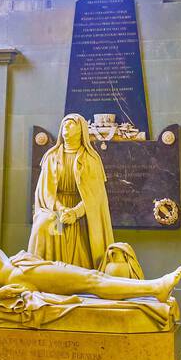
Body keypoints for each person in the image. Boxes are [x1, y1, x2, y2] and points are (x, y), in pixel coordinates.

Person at [0, 211, 181, 305]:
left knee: (93, 278)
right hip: (21, 275)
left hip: (25, 265)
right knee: (91, 281)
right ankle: (156, 287)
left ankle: (154, 288)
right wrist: (0, 294)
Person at [28, 113, 114, 268]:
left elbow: (95, 195)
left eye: (71, 124)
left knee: (82, 246)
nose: (66, 127)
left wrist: (75, 213)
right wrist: (61, 209)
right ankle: (46, 276)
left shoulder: (91, 159)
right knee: (44, 225)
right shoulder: (51, 157)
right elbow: (45, 192)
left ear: (81, 129)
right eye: (64, 124)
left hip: (82, 212)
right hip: (56, 210)